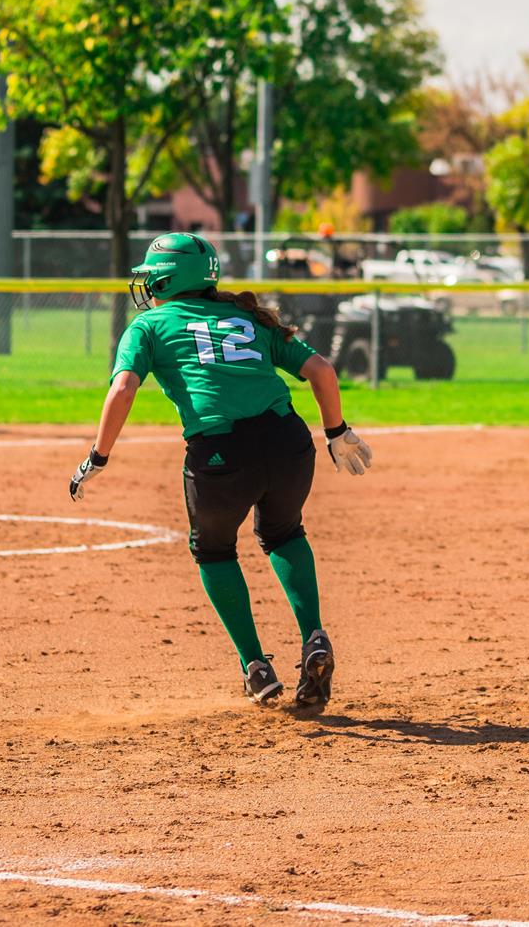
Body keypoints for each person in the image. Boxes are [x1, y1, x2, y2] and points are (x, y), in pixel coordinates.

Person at [67, 232, 374, 711]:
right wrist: (336, 432)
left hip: (221, 452)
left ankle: (255, 666)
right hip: (288, 442)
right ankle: (313, 634)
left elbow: (123, 390)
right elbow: (322, 370)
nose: (146, 285)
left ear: (169, 278)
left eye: (151, 276)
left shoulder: (149, 325)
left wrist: (98, 457)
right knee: (283, 533)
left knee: (212, 550)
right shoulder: (248, 316)